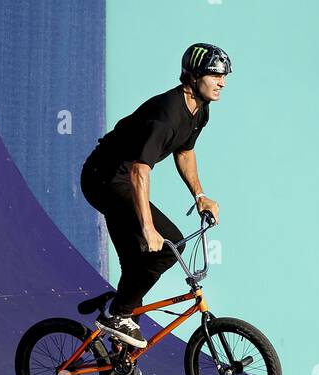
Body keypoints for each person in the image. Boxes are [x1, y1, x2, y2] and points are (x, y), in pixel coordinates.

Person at [80, 43, 230, 349]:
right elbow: (139, 172)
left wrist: (199, 194)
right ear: (193, 76)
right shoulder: (166, 114)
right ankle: (118, 312)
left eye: (224, 75)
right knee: (168, 245)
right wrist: (148, 228)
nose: (222, 82)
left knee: (138, 265)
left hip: (122, 179)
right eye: (215, 75)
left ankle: (117, 348)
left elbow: (185, 152)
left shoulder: (200, 111)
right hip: (105, 179)